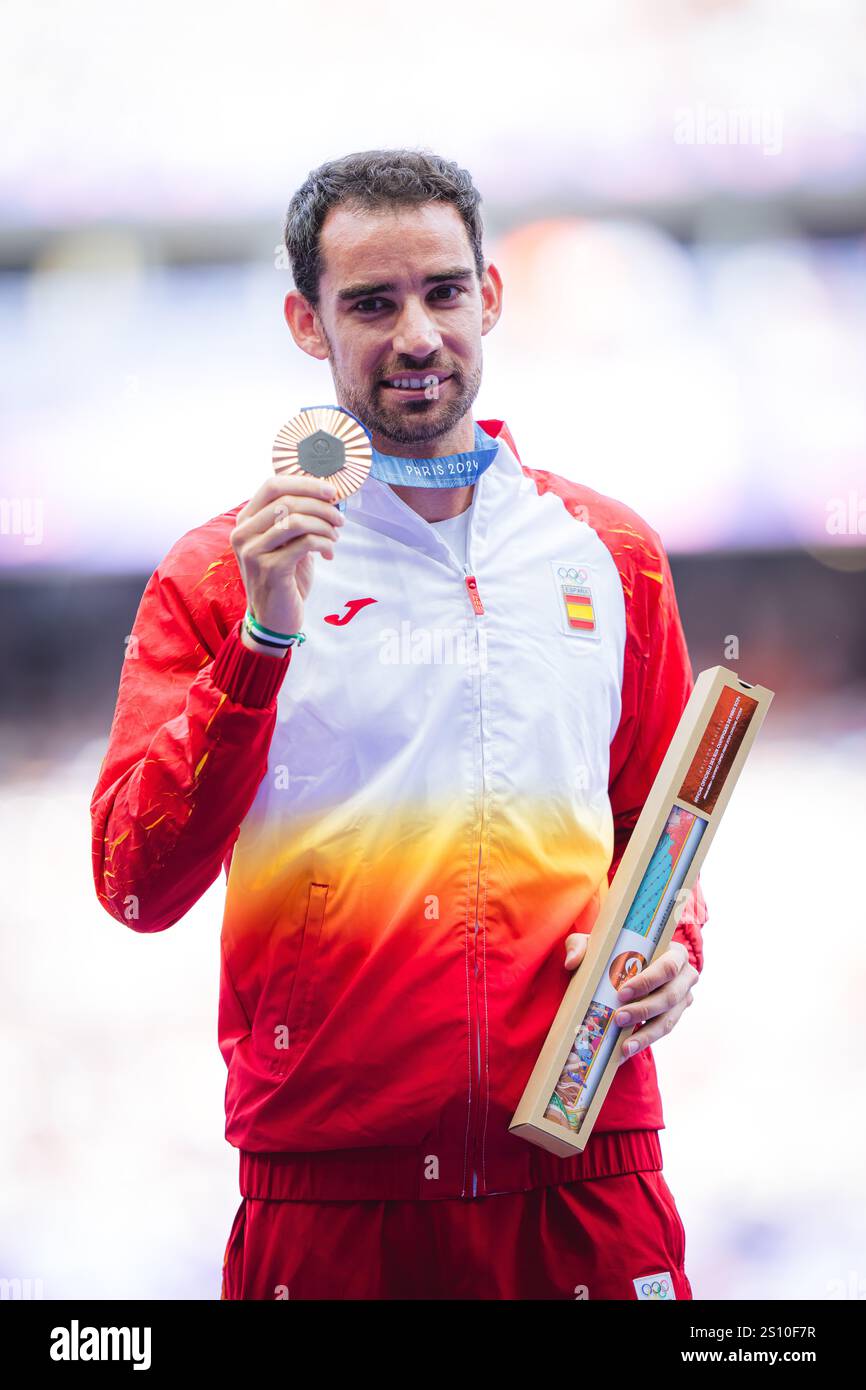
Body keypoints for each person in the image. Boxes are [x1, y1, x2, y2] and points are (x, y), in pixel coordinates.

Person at [90, 149, 708, 1301]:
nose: (416, 334)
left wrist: (673, 956)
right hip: (332, 1196)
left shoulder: (610, 554)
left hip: (586, 1172)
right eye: (370, 304)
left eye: (443, 291)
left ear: (493, 294)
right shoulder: (219, 573)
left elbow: (654, 837)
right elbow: (135, 882)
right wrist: (263, 644)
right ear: (304, 322)